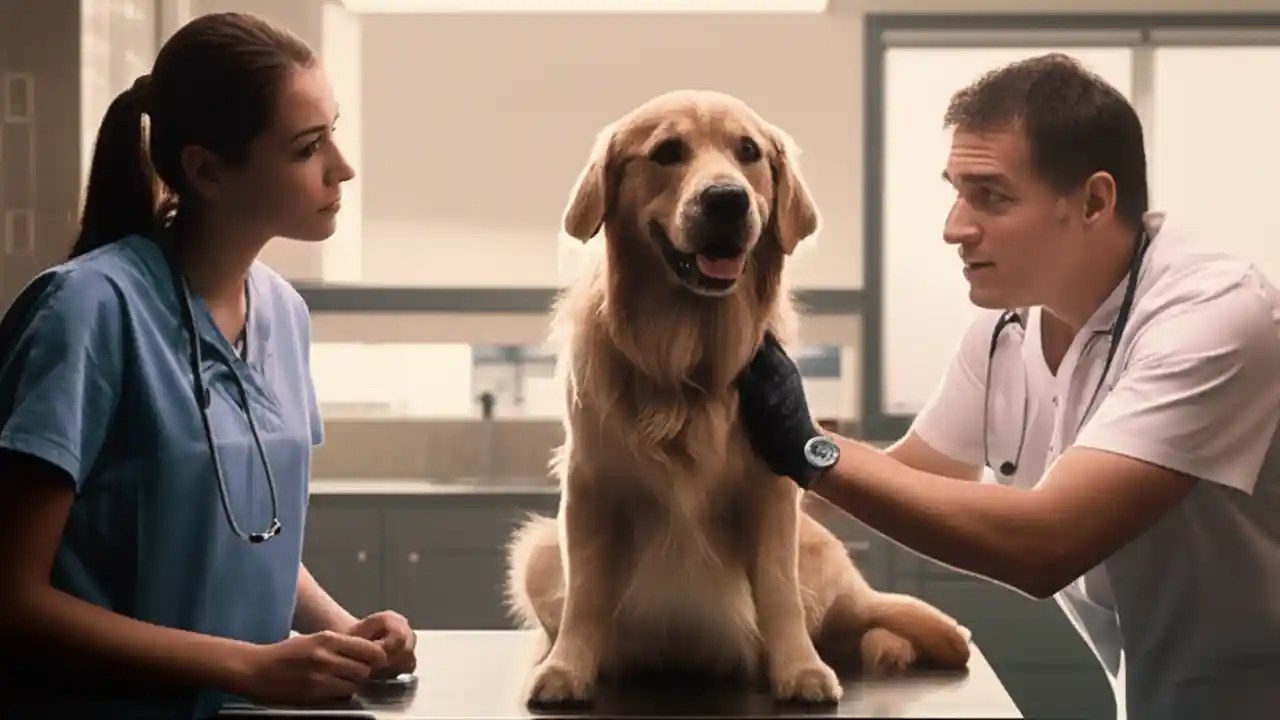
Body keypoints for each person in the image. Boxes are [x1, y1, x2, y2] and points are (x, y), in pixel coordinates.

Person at [736, 53, 1280, 720]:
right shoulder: (1006, 331)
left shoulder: (1216, 314)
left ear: (1093, 201)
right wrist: (715, 512)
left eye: (990, 195)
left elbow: (1048, 544)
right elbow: (911, 476)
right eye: (956, 191)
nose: (954, 227)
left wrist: (811, 450)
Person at [0, 12, 416, 719]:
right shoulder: (88, 311)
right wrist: (248, 665)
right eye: (308, 148)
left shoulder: (283, 314)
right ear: (207, 171)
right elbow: (13, 597)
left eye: (333, 133)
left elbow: (239, 536)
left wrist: (343, 631)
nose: (341, 167)